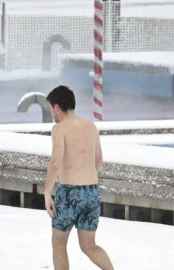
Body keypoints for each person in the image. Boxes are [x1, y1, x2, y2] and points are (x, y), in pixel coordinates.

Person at [44, 85, 114, 270]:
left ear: (57, 107)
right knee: (89, 246)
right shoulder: (91, 127)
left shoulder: (59, 128)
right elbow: (99, 160)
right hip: (92, 191)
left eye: (51, 108)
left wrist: (46, 192)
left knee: (58, 244)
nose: (52, 113)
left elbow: (56, 161)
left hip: (69, 193)